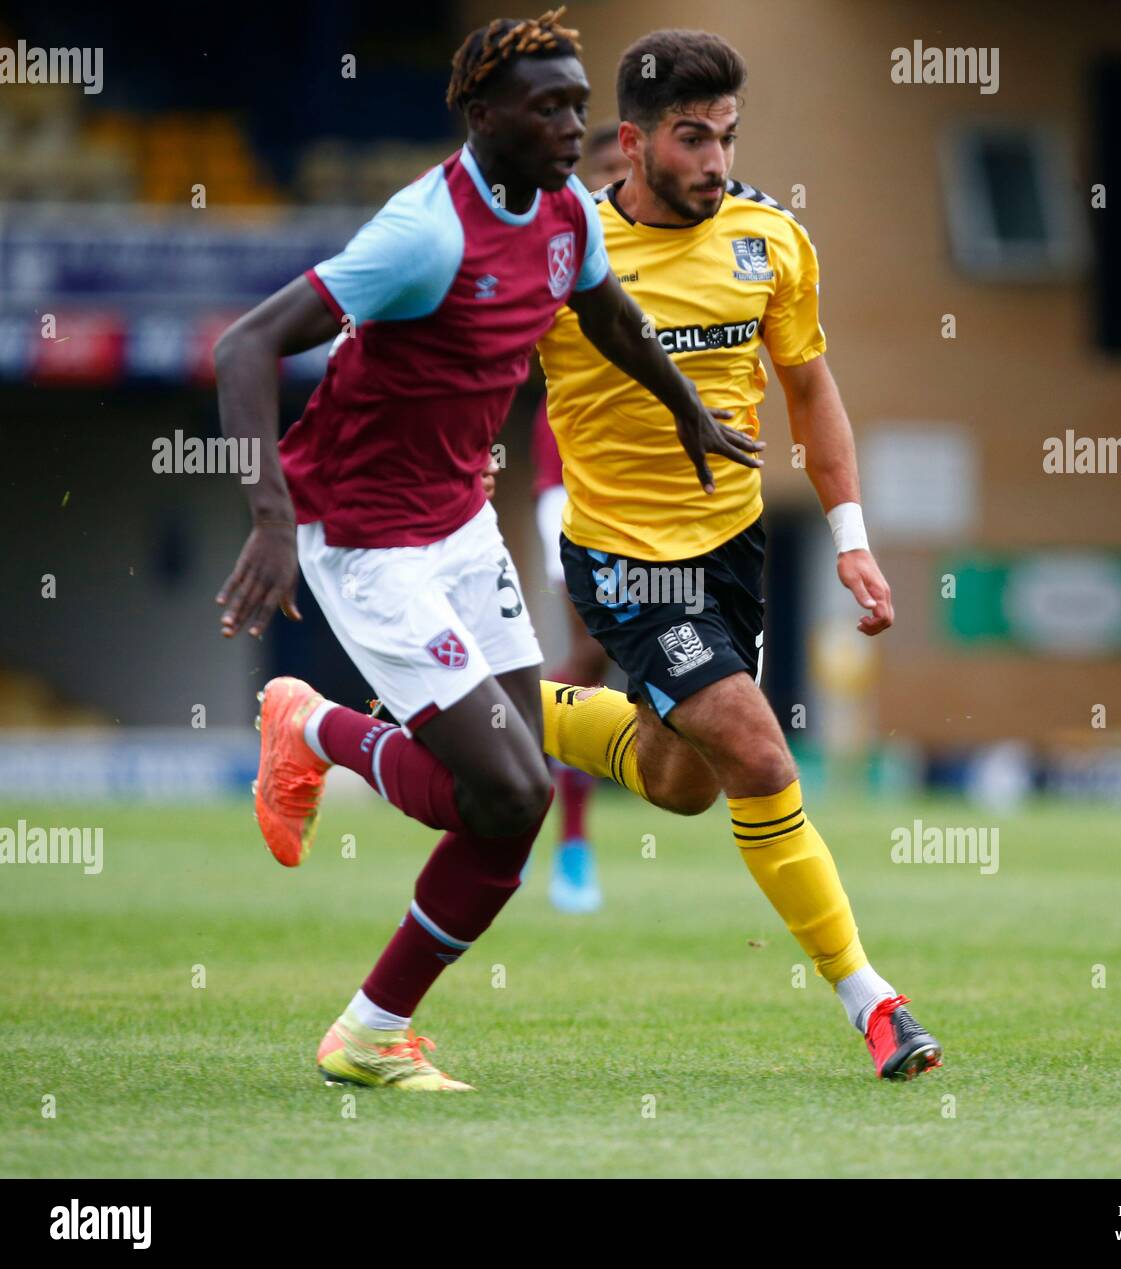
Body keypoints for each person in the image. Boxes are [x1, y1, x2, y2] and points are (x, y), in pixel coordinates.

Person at [212, 8, 760, 1091]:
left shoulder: (564, 212)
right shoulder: (423, 233)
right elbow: (247, 344)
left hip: (459, 517)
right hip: (364, 534)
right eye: (548, 105)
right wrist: (271, 518)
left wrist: (687, 409)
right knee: (511, 794)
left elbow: (609, 318)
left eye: (577, 101)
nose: (573, 124)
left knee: (515, 787)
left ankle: (370, 1022)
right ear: (480, 115)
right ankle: (317, 739)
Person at [534, 29, 942, 1080]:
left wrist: (850, 540)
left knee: (682, 784)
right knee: (762, 754)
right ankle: (875, 1002)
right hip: (622, 551)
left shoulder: (771, 238)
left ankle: (475, 706)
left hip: (732, 547)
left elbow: (811, 390)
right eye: (690, 138)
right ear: (630, 141)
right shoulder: (559, 246)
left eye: (725, 136)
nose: (715, 161)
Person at [531, 122, 629, 914]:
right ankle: (570, 846)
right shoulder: (563, 241)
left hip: (655, 486)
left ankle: (492, 718)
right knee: (592, 648)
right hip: (569, 478)